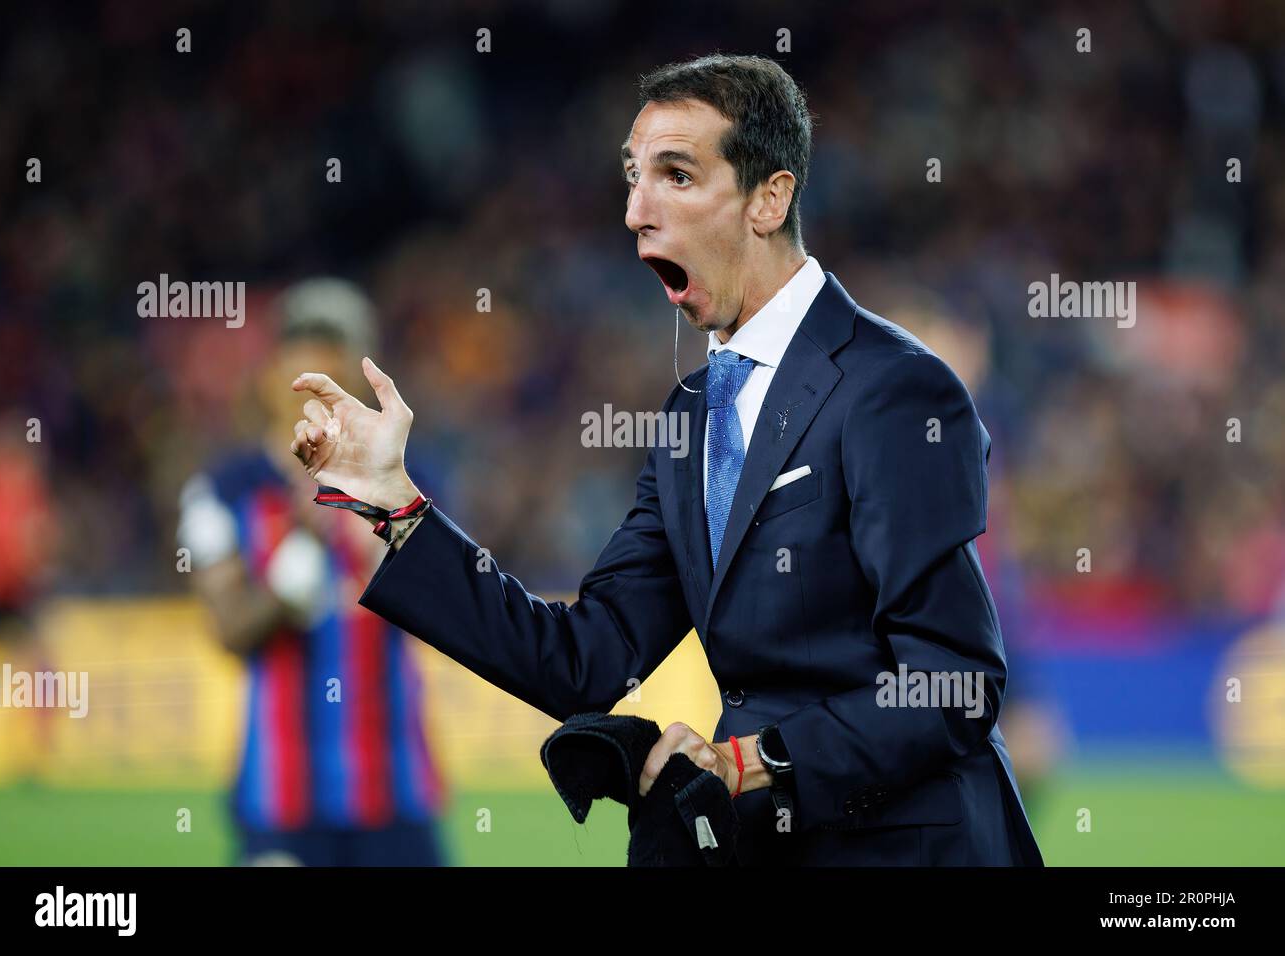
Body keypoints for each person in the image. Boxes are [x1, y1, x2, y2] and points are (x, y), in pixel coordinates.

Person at [289, 55, 1042, 865]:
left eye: (676, 176)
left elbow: (954, 684)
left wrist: (753, 760)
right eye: (632, 177)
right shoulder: (693, 415)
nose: (635, 212)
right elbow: (586, 659)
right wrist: (395, 506)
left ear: (769, 198)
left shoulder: (894, 388)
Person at [179, 278, 448, 866]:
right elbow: (231, 632)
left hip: (394, 793)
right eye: (303, 370)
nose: (319, 390)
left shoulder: (407, 479)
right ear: (272, 375)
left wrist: (373, 529)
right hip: (281, 801)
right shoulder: (226, 491)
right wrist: (299, 553)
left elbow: (445, 609)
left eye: (335, 371)